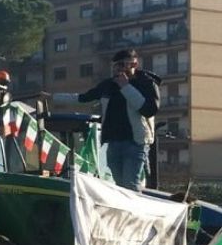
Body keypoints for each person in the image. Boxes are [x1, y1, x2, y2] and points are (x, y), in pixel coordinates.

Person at [51, 48, 159, 191]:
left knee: (130, 184)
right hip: (113, 141)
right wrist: (52, 97)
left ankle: (131, 211)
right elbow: (84, 97)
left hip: (135, 142)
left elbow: (149, 110)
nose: (118, 69)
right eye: (115, 66)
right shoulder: (109, 85)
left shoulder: (146, 83)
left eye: (122, 64)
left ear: (134, 64)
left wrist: (125, 87)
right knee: (119, 186)